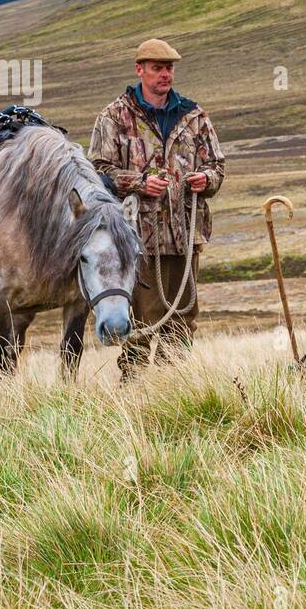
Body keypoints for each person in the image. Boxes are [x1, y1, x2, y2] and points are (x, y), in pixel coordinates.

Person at [88, 38, 225, 379]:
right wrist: (138, 183)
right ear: (140, 70)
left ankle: (173, 382)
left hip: (184, 234)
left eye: (169, 68)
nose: (165, 75)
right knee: (139, 316)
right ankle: (134, 383)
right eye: (157, 68)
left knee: (183, 315)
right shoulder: (114, 116)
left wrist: (206, 179)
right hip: (136, 239)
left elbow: (217, 166)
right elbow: (98, 171)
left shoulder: (194, 116)